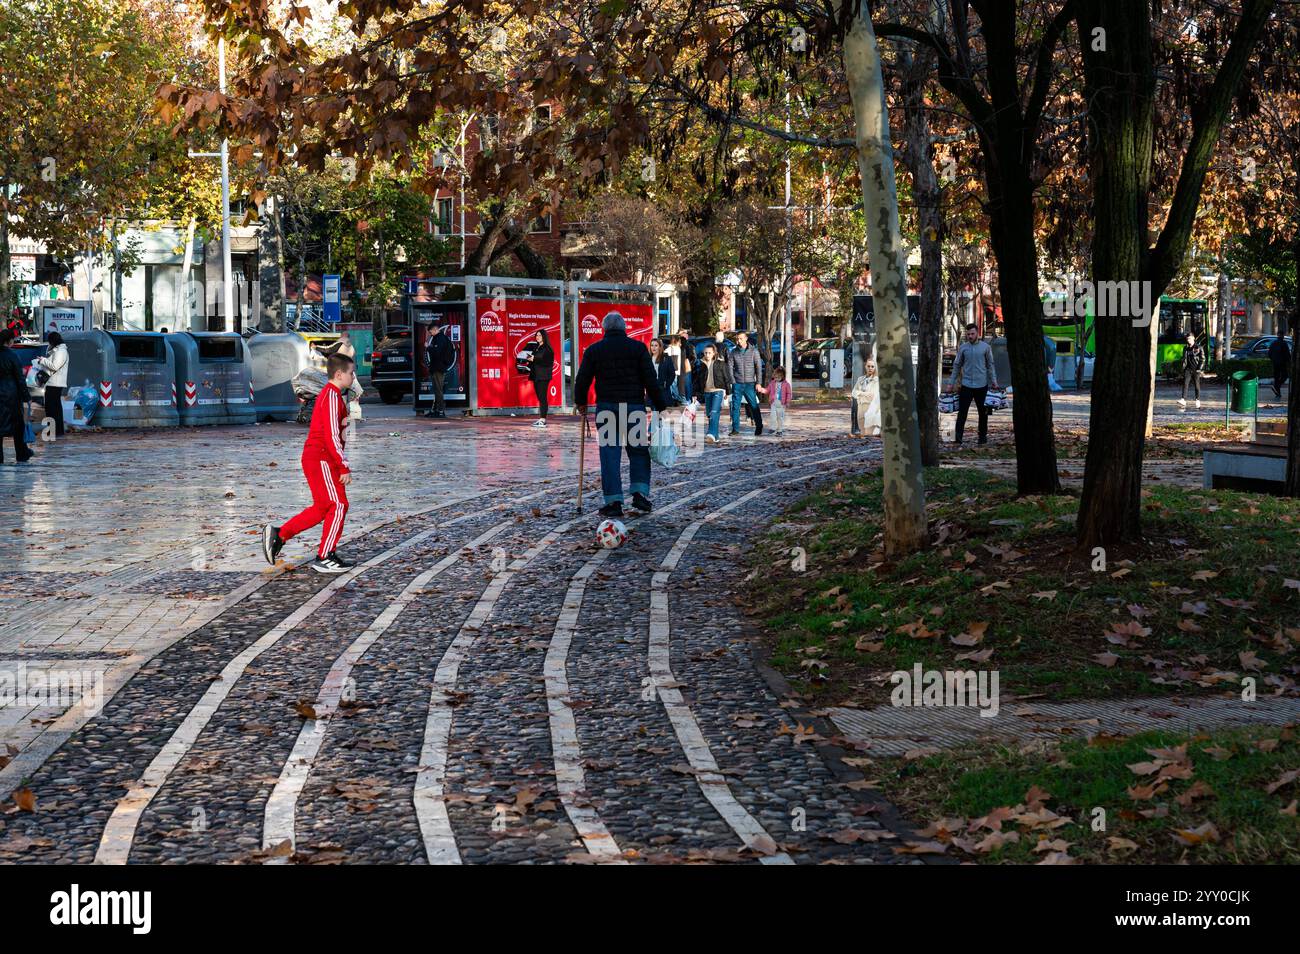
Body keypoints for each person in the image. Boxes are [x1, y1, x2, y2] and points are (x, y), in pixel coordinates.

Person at [261, 352, 356, 574]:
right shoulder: (332, 395)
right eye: (351, 373)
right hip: (322, 457)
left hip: (319, 457)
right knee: (338, 505)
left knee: (322, 507)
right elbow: (331, 434)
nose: (353, 378)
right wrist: (343, 466)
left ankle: (279, 535)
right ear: (340, 374)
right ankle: (325, 556)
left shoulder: (331, 394)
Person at [573, 311, 668, 517]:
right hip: (633, 407)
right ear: (624, 328)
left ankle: (614, 501)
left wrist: (580, 402)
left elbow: (582, 379)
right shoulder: (638, 349)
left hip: (607, 407)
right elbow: (650, 379)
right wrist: (660, 404)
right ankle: (640, 494)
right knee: (638, 452)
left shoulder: (594, 350)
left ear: (604, 329)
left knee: (610, 455)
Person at [945, 323, 997, 445]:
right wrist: (950, 383)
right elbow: (957, 366)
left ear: (977, 333)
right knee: (962, 413)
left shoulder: (985, 347)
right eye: (968, 334)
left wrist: (994, 381)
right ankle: (958, 438)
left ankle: (982, 438)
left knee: (983, 413)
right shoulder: (963, 348)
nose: (970, 336)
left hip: (982, 385)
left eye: (972, 334)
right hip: (966, 385)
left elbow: (990, 365)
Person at [0, 329, 33, 463]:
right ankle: (22, 453)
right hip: (10, 395)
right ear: (9, 341)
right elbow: (20, 379)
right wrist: (26, 397)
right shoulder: (12, 355)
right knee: (17, 425)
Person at [692, 342, 732, 444]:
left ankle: (710, 433)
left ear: (714, 353)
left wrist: (728, 392)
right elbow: (696, 380)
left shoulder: (720, 363)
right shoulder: (700, 364)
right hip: (707, 392)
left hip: (718, 391)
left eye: (709, 353)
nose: (707, 355)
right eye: (705, 353)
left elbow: (727, 378)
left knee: (714, 412)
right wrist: (694, 394)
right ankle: (716, 436)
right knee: (710, 415)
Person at [33, 331, 68, 438]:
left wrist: (42, 361)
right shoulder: (57, 351)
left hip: (55, 383)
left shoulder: (61, 351)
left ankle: (54, 431)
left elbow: (54, 366)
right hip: (53, 383)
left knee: (52, 408)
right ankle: (56, 431)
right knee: (54, 408)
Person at [728, 331, 764, 436]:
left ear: (746, 338)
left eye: (741, 338)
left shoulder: (754, 351)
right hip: (737, 384)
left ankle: (759, 426)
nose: (739, 341)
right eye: (737, 339)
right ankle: (735, 429)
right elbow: (730, 367)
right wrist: (733, 381)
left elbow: (758, 368)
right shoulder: (733, 352)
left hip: (750, 383)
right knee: (735, 406)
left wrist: (759, 383)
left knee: (754, 405)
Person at [423, 323, 456, 418]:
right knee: (436, 389)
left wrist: (428, 347)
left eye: (430, 332)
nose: (430, 334)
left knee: (438, 390)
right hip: (437, 367)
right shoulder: (439, 338)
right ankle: (435, 410)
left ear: (434, 330)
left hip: (438, 368)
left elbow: (437, 353)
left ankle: (440, 411)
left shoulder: (440, 338)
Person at [524, 328, 554, 427]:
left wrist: (533, 358)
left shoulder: (547, 348)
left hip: (543, 376)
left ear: (544, 336)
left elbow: (542, 359)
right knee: (540, 397)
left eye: (540, 335)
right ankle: (541, 419)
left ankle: (543, 420)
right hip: (536, 375)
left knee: (542, 397)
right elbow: (533, 359)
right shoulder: (537, 347)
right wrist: (530, 360)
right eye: (536, 335)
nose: (537, 337)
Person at [851, 358, 881, 437]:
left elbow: (873, 395)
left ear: (875, 368)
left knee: (870, 434)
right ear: (865, 367)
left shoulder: (877, 380)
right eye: (868, 366)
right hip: (860, 407)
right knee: (862, 433)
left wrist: (860, 394)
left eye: (872, 366)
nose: (870, 368)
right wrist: (863, 394)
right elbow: (853, 393)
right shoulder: (861, 379)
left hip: (871, 408)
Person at [1178, 333, 1206, 409]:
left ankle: (1197, 400)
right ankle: (1183, 399)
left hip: (1196, 369)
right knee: (1185, 383)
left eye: (1190, 338)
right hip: (1188, 369)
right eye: (1187, 339)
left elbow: (1202, 359)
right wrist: (1183, 369)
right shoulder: (1185, 348)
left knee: (1197, 385)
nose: (1188, 340)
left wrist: (1199, 368)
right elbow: (1184, 360)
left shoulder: (1198, 347)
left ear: (1193, 338)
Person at [649, 337, 676, 406]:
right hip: (651, 389)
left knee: (662, 413)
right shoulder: (647, 358)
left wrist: (666, 384)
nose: (653, 348)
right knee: (652, 412)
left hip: (662, 389)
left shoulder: (666, 358)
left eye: (656, 345)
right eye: (652, 345)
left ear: (660, 347)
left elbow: (672, 373)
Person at [1268, 335, 1291, 399]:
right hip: (1282, 363)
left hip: (1275, 363)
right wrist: (1289, 362)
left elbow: (1269, 353)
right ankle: (1277, 387)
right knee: (1285, 376)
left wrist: (1273, 360)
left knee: (1276, 378)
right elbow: (1287, 354)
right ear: (1283, 337)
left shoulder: (1273, 343)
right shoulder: (1284, 343)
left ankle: (1278, 392)